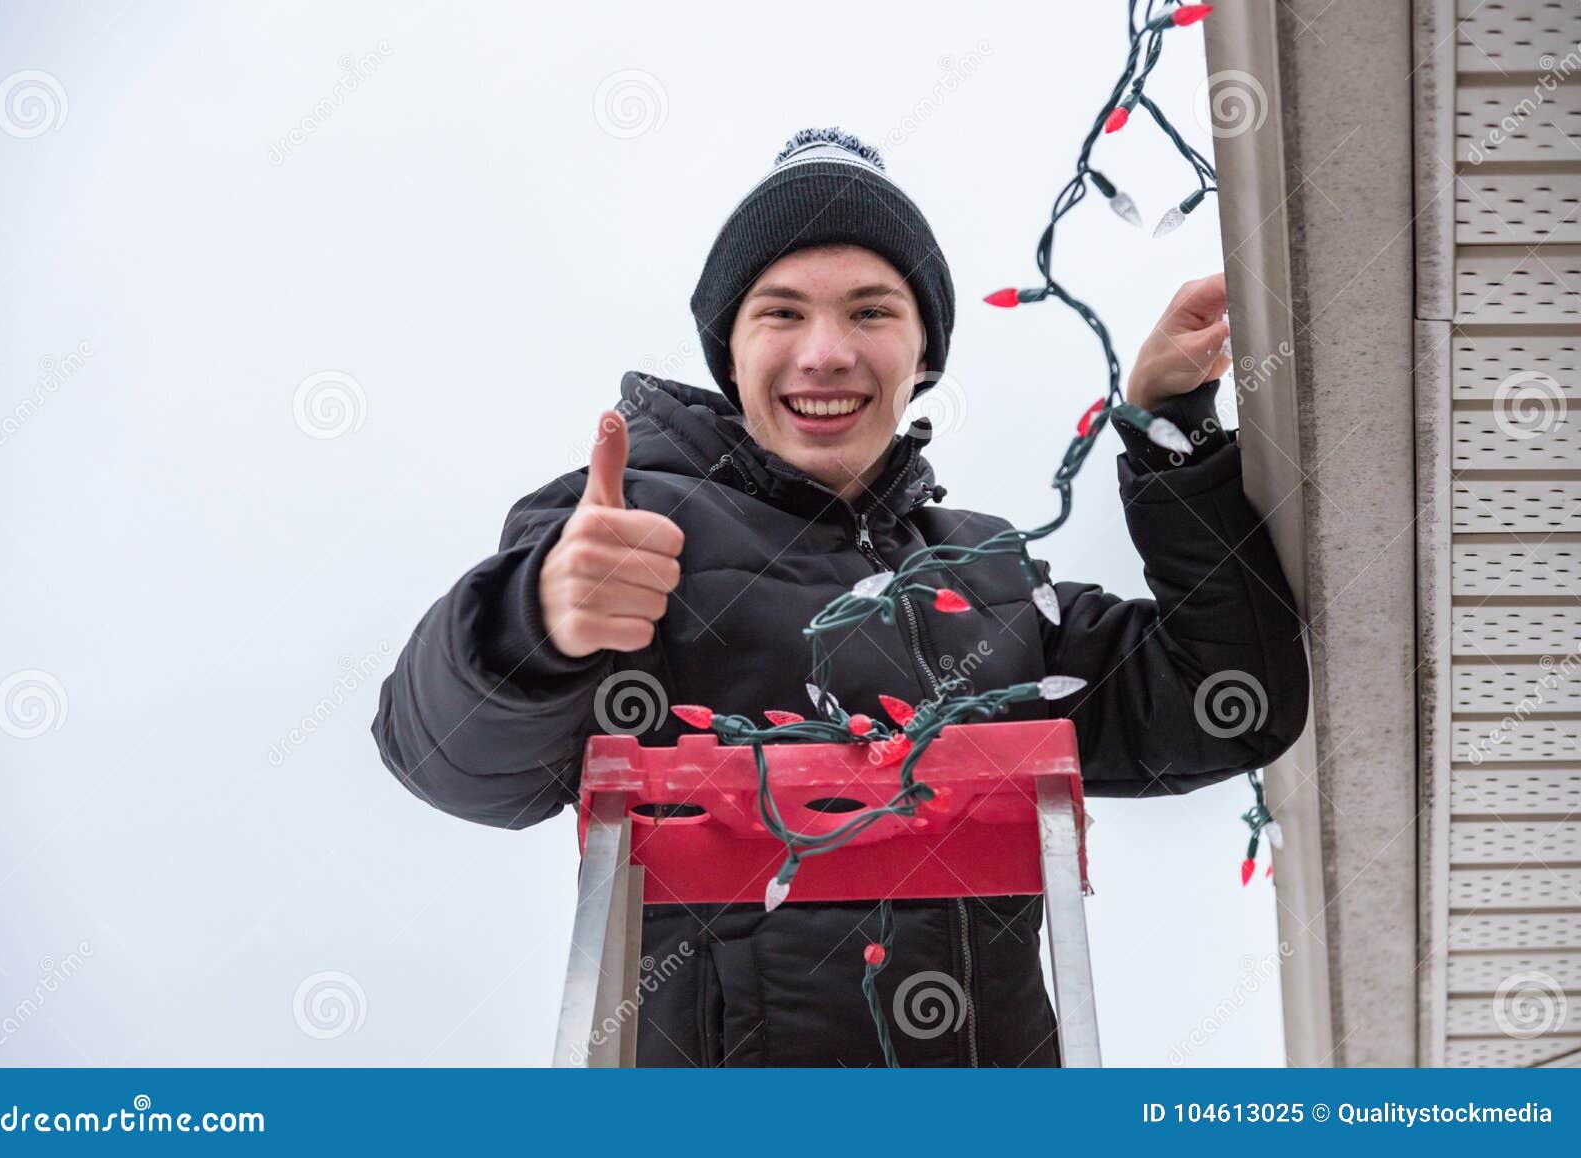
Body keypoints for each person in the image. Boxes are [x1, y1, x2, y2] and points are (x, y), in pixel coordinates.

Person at [371, 126, 1310, 1067]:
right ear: (729, 353)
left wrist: (1171, 433)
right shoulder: (626, 533)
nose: (824, 353)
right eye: (780, 313)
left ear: (924, 354)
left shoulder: (986, 577)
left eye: (870, 313)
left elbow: (1225, 703)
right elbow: (447, 763)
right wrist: (533, 619)